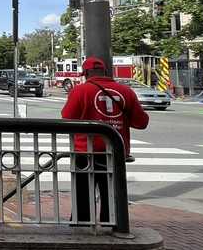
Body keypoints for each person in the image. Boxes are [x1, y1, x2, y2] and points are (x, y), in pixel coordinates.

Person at [60, 57, 149, 225]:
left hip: (85, 152)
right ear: (105, 71)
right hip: (115, 152)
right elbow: (141, 122)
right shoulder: (126, 91)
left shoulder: (80, 91)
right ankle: (113, 226)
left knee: (83, 196)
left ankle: (82, 228)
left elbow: (67, 118)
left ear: (86, 73)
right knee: (112, 196)